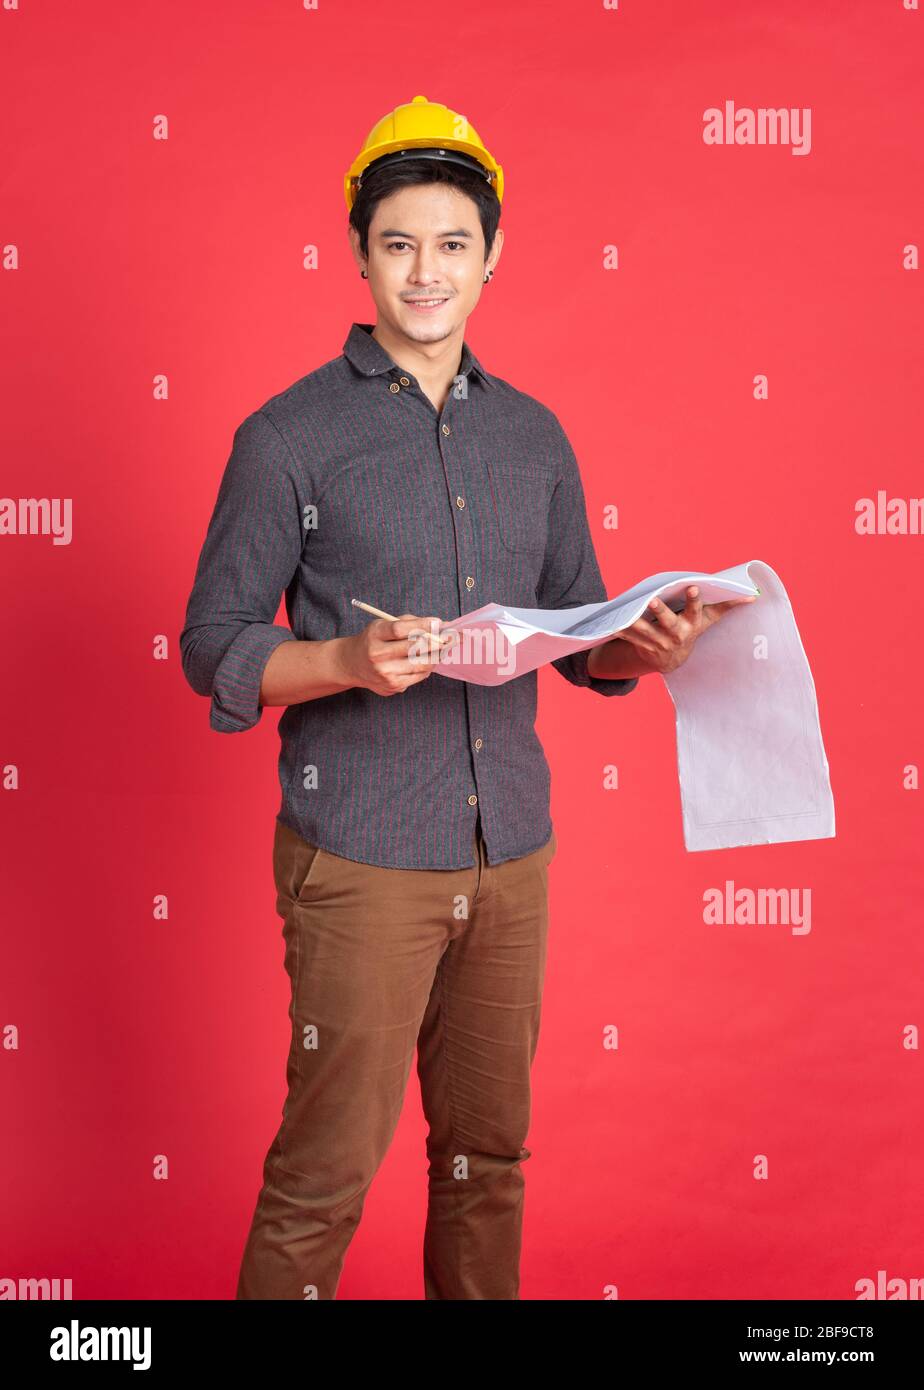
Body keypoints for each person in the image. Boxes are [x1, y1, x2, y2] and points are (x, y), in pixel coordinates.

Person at [179, 95, 754, 1300]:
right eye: (398, 243)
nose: (425, 271)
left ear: (492, 257)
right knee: (325, 1172)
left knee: (486, 1161)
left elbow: (581, 627)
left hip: (513, 856)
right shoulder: (285, 438)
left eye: (451, 244)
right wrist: (344, 660)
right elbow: (214, 645)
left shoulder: (537, 439)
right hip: (361, 856)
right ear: (359, 255)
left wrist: (644, 645)